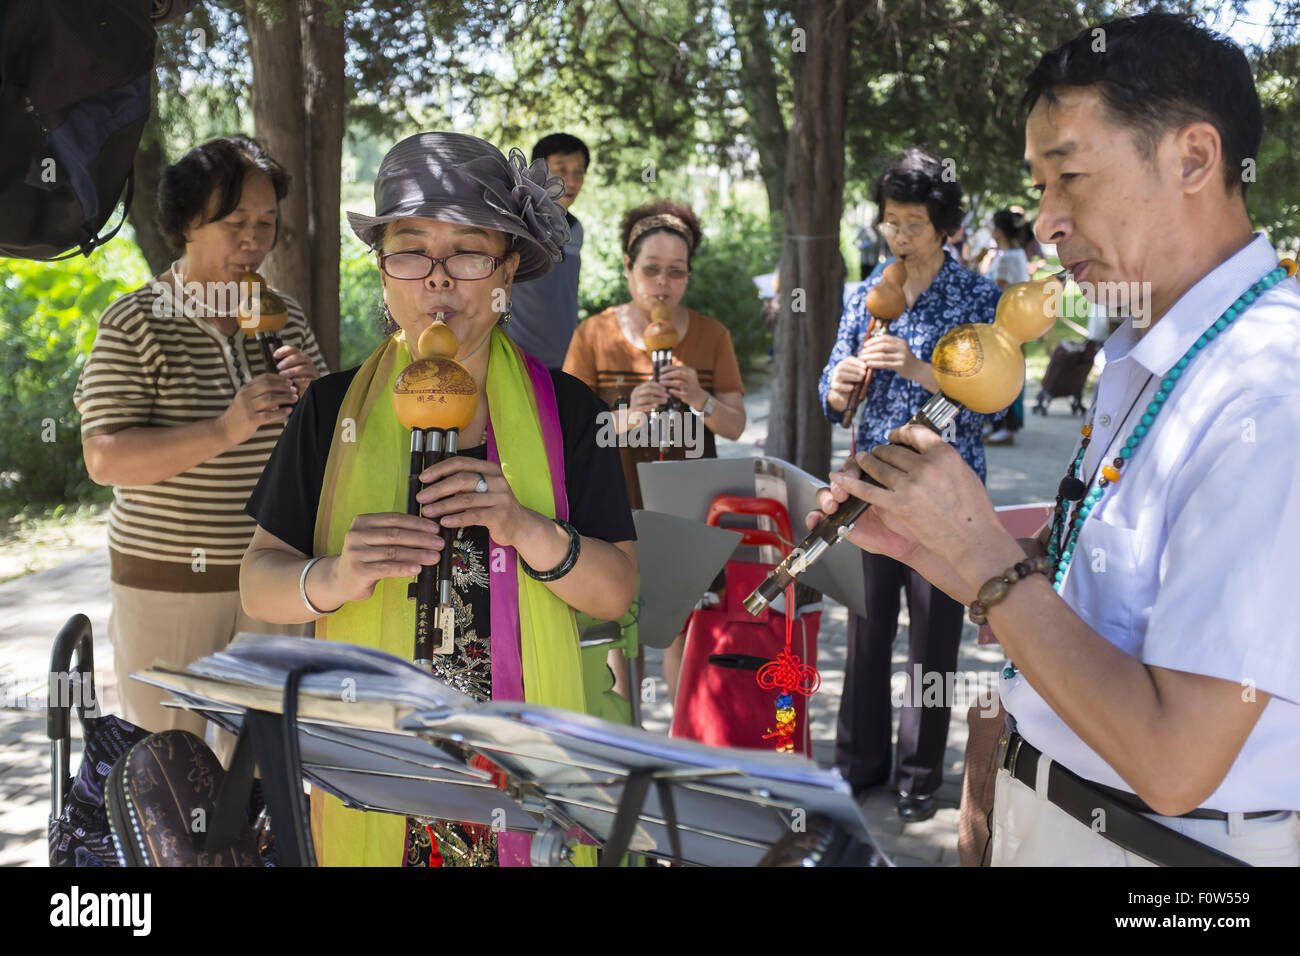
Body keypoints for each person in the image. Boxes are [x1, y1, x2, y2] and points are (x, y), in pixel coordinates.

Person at [814, 12, 1300, 865]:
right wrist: (939, 546)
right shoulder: (1153, 352)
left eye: (1068, 177)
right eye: (1039, 187)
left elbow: (1175, 761)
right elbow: (1091, 608)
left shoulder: (1272, 388)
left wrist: (982, 560)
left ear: (1193, 157)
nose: (1044, 223)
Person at [240, 132, 638, 867]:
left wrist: (526, 527)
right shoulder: (331, 410)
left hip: (528, 766)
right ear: (384, 271)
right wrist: (335, 576)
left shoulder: (570, 411)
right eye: (411, 250)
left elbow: (615, 591)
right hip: (379, 766)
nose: (438, 280)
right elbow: (260, 583)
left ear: (507, 271)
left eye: (468, 252)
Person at [74, 135, 326, 753]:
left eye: (266, 223)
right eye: (235, 221)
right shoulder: (135, 321)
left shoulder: (285, 318)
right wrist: (223, 430)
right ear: (187, 222)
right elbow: (105, 457)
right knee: (168, 766)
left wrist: (315, 404)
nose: (255, 240)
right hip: (168, 584)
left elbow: (324, 450)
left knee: (270, 772)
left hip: (275, 575)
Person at [819, 147, 1003, 823]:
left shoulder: (979, 297)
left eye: (913, 223)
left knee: (932, 640)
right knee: (867, 632)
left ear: (946, 226)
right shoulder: (866, 294)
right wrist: (836, 386)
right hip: (872, 488)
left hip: (946, 495)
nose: (898, 236)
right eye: (890, 222)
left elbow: (995, 404)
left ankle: (920, 776)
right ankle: (857, 764)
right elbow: (831, 391)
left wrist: (924, 370)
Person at [563, 199, 746, 703]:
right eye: (650, 270)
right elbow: (568, 432)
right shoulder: (594, 335)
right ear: (627, 268)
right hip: (613, 505)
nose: (662, 285)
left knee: (678, 626)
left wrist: (700, 398)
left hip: (687, 507)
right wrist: (624, 417)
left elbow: (734, 425)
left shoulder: (711, 336)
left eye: (675, 272)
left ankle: (681, 742)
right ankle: (627, 747)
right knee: (617, 628)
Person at [504, 133, 588, 369]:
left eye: (579, 172)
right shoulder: (516, 223)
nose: (571, 181)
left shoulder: (576, 228)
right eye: (561, 169)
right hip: (517, 362)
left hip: (567, 362)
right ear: (538, 173)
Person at [985, 208, 1035, 445]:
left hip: (1004, 324)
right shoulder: (1019, 255)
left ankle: (1002, 424)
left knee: (1000, 374)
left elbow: (997, 292)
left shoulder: (1005, 258)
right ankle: (1004, 423)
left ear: (998, 230)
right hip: (1018, 322)